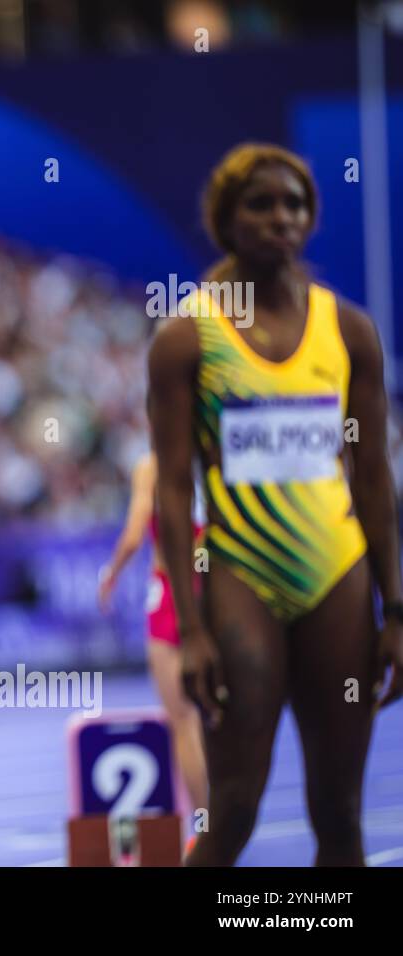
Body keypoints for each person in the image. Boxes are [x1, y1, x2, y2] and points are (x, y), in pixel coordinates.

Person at [147, 143, 403, 866]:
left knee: (341, 816)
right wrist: (189, 629)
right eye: (261, 204)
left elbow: (374, 476)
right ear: (226, 219)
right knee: (231, 811)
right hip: (239, 582)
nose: (281, 219)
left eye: (294, 205)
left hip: (339, 580)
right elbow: (171, 487)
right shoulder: (187, 336)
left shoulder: (348, 331)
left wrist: (398, 609)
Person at [99, 452, 207, 840]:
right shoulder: (218, 453)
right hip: (218, 591)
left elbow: (132, 535)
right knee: (218, 717)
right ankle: (227, 824)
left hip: (171, 593)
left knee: (183, 721)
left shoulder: (153, 465)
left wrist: (110, 576)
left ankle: (205, 826)